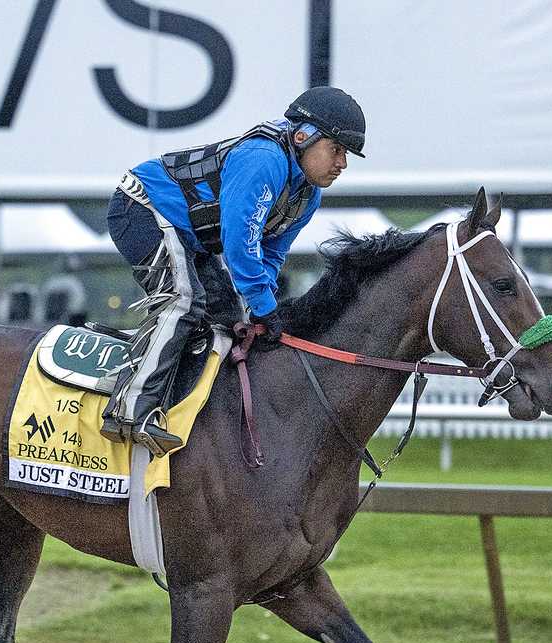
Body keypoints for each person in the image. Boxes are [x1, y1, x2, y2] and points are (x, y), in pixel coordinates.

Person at [100, 86, 366, 454]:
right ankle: (130, 409)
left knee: (229, 318)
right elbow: (240, 242)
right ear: (302, 137)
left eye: (346, 154)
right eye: (336, 149)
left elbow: (270, 254)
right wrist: (265, 307)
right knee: (182, 300)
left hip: (188, 238)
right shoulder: (263, 161)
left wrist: (261, 307)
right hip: (140, 209)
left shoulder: (308, 196)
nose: (342, 164)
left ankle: (189, 410)